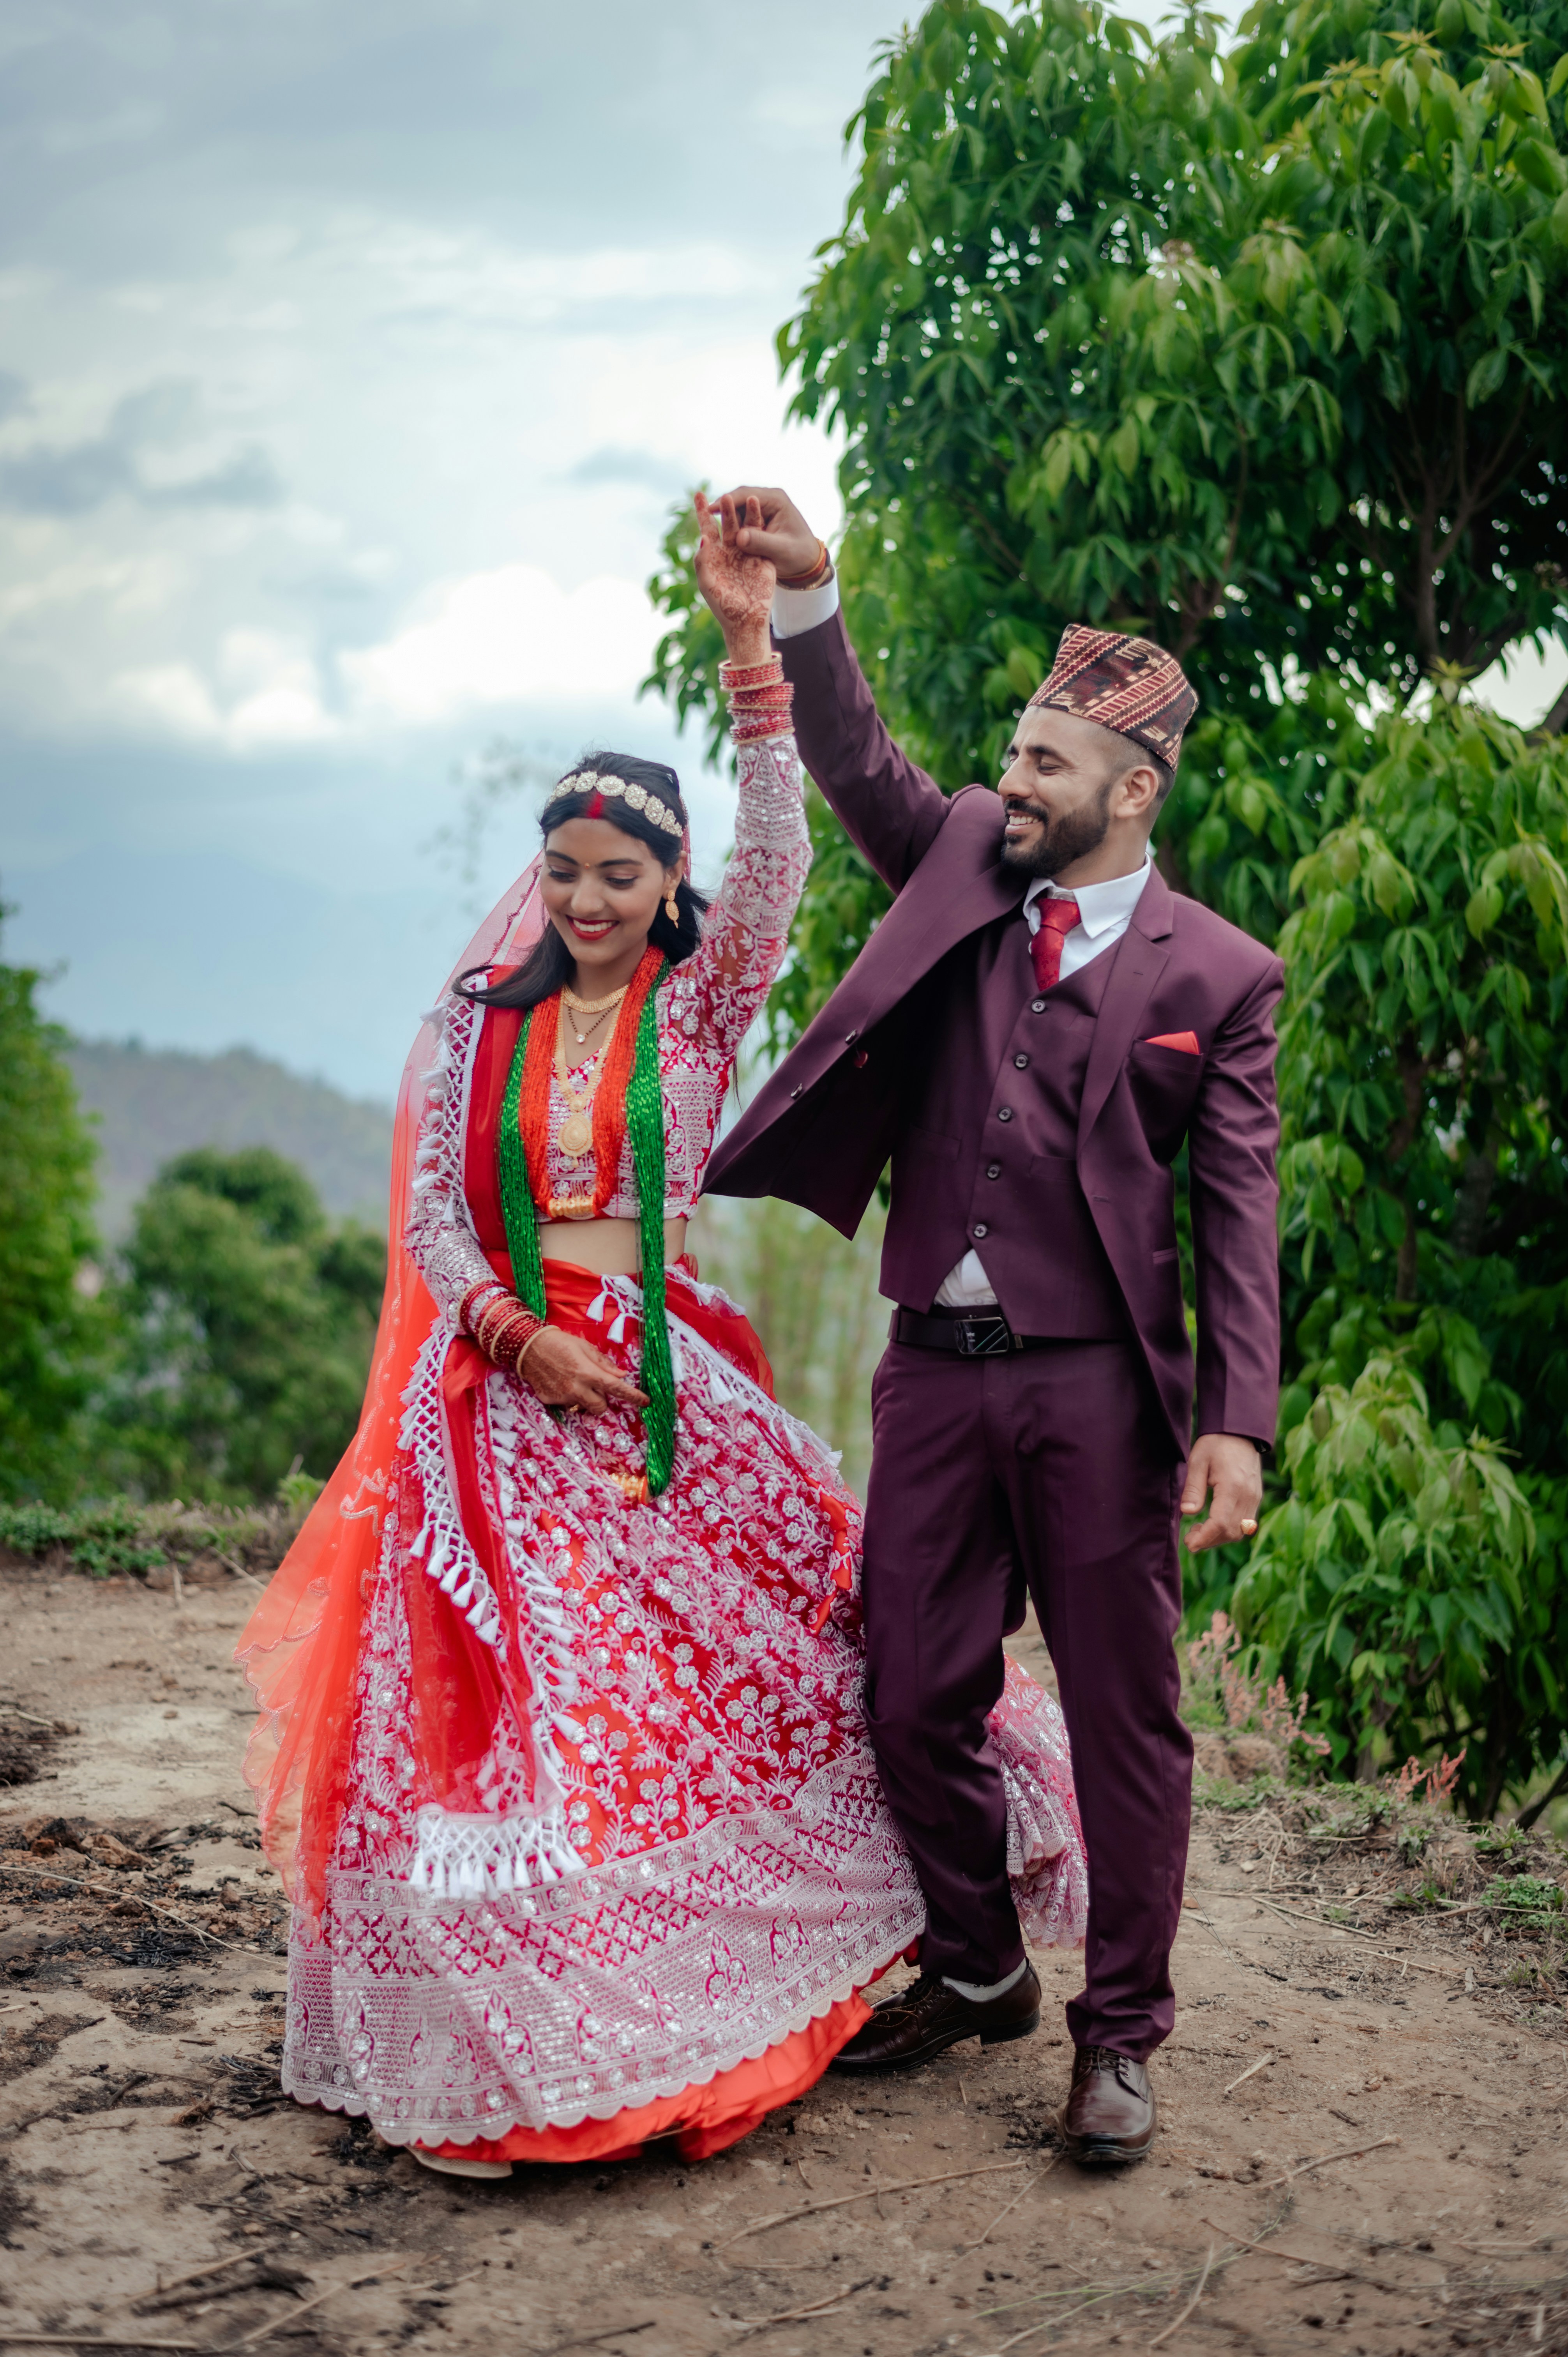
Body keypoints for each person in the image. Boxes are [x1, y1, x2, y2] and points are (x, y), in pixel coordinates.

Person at [233, 496, 1088, 2178]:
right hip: (498, 1400)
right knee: (528, 1726)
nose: (586, 898)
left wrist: (751, 646)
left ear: (669, 885)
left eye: (619, 875)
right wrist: (510, 1335)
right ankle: (524, 2051)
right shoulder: (478, 1023)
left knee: (781, 1662)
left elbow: (780, 853)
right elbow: (433, 1216)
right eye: (562, 872)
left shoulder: (698, 1003)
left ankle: (748, 1990)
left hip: (655, 1389)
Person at [702, 488, 1283, 2166]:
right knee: (908, 1692)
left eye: (1044, 763)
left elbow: (1236, 1208)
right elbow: (860, 761)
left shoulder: (1219, 976)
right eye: (1015, 755)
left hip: (1100, 1392)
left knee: (1126, 1725)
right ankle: (975, 1967)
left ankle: (1121, 2038)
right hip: (931, 1378)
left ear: (1132, 787)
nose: (1012, 782)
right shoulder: (962, 860)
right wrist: (809, 601)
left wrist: (1234, 1421)